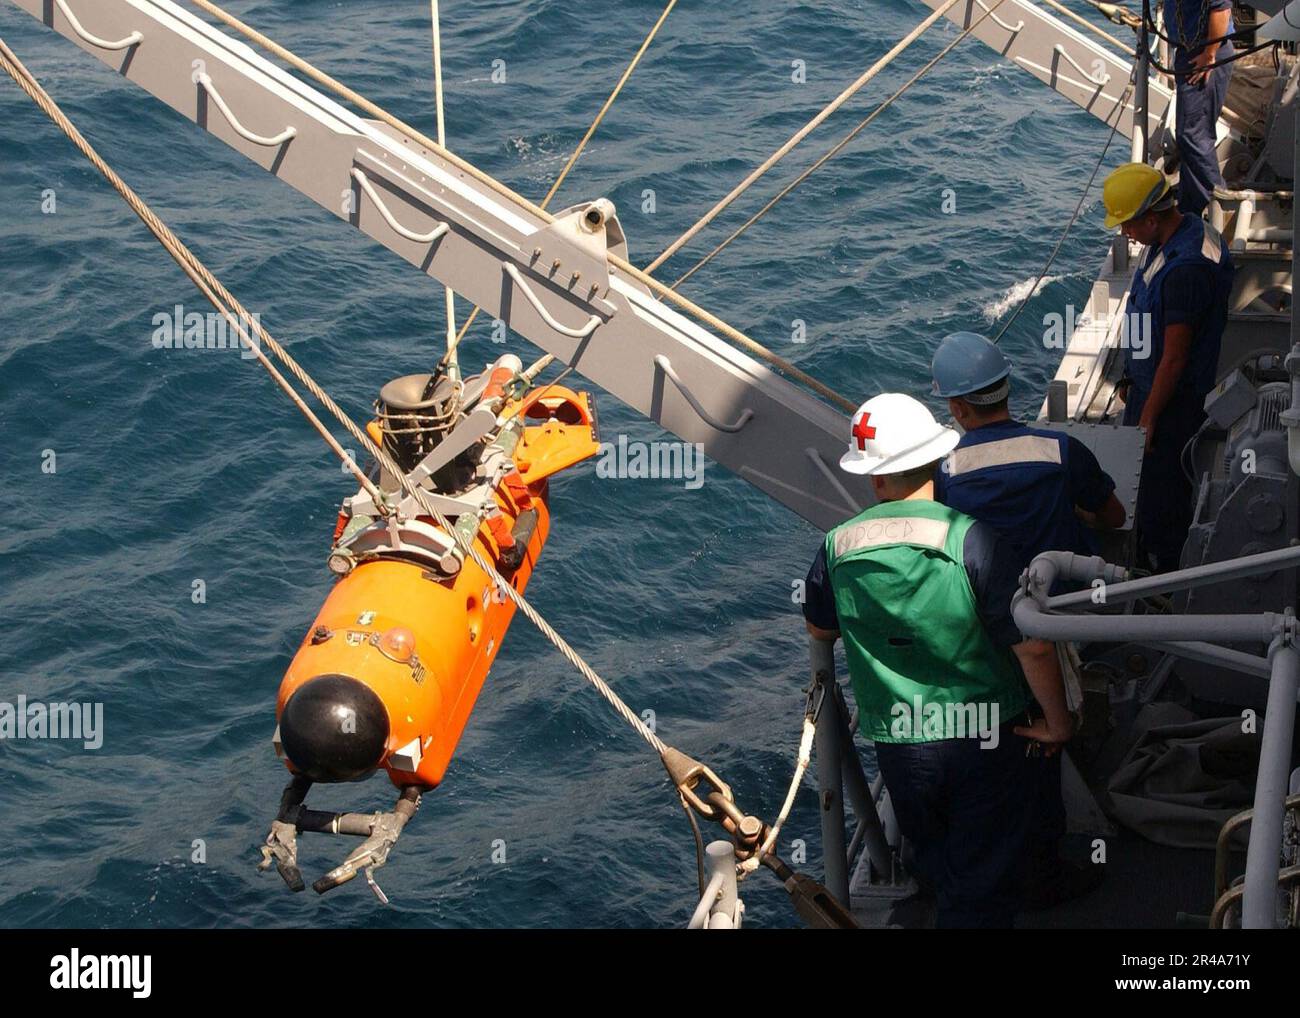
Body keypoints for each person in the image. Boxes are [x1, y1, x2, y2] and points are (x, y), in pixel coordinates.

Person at [802, 393, 1074, 928]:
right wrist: (1058, 723)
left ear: (875, 478)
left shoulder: (836, 546)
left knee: (936, 857)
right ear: (933, 460)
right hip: (986, 739)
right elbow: (1034, 644)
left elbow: (819, 627)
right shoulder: (973, 541)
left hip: (901, 744)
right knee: (984, 882)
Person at [931, 330, 1125, 909]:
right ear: (1008, 390)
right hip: (1062, 623)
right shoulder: (1061, 451)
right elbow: (1112, 513)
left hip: (983, 632)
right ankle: (1044, 867)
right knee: (1045, 733)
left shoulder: (944, 473)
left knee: (1006, 738)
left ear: (957, 407)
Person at [1102, 162, 1235, 572]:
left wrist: (1148, 418)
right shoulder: (1185, 231)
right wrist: (1129, 376)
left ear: (1153, 217)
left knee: (1162, 494)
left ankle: (1161, 579)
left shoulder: (1185, 271)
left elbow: (1175, 355)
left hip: (1171, 404)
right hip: (1147, 384)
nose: (1125, 233)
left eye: (1129, 224)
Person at [1165, 0, 1235, 218]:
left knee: (1192, 134)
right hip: (1190, 52)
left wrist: (1209, 54)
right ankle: (1190, 207)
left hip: (1205, 56)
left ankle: (1219, 207)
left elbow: (1221, 8)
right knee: (1188, 134)